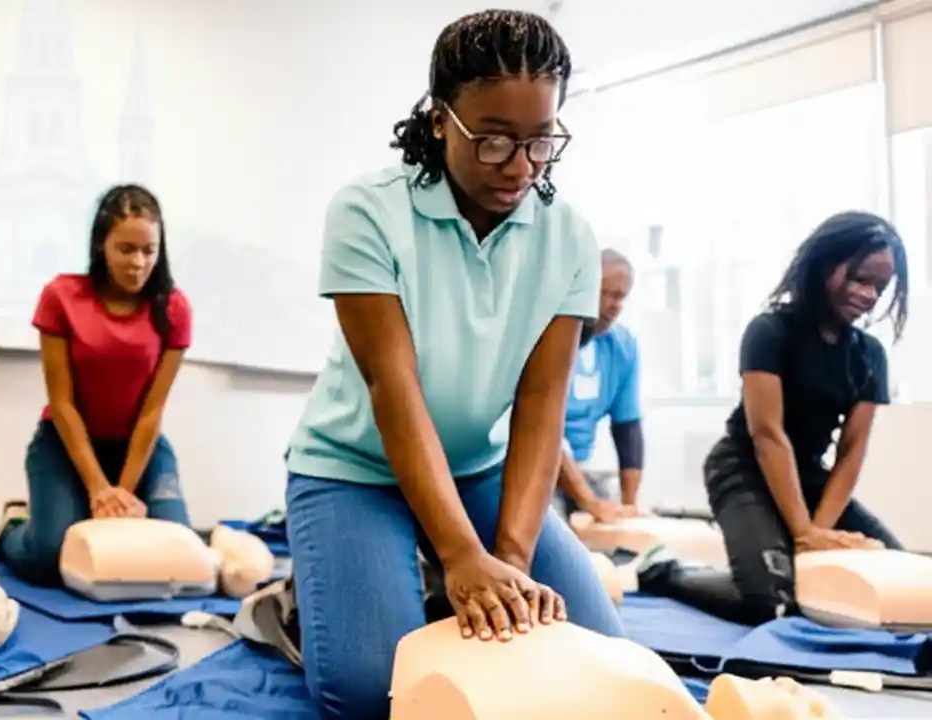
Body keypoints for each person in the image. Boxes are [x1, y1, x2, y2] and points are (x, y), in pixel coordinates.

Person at [280, 10, 625, 718]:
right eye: (494, 138)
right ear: (441, 120)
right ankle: (303, 600)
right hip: (354, 470)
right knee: (372, 688)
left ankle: (434, 579)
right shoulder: (368, 212)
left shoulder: (570, 239)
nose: (520, 166)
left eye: (540, 141)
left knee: (595, 653)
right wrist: (465, 557)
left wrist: (510, 564)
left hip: (479, 469)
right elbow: (393, 389)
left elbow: (541, 405)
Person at [639, 211, 908, 625]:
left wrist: (818, 531)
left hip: (810, 477)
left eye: (880, 286)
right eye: (859, 278)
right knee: (771, 603)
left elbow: (852, 452)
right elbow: (767, 434)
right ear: (823, 265)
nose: (869, 295)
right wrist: (804, 534)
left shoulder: (869, 355)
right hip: (744, 468)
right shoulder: (770, 331)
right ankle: (666, 572)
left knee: (900, 579)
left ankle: (779, 555)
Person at [0, 184, 193, 586]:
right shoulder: (61, 297)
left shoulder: (173, 307)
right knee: (51, 558)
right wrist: (99, 489)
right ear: (102, 244)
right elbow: (62, 403)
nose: (138, 263)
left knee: (179, 552)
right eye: (126, 249)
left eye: (148, 251)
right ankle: (11, 529)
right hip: (65, 444)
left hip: (139, 448)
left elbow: (153, 409)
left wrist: (123, 491)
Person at [554, 248, 645, 522]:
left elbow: (627, 429)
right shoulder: (549, 340)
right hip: (535, 465)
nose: (617, 305)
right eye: (610, 294)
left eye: (623, 297)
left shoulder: (622, 346)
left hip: (581, 469)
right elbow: (541, 430)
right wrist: (589, 501)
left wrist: (629, 507)